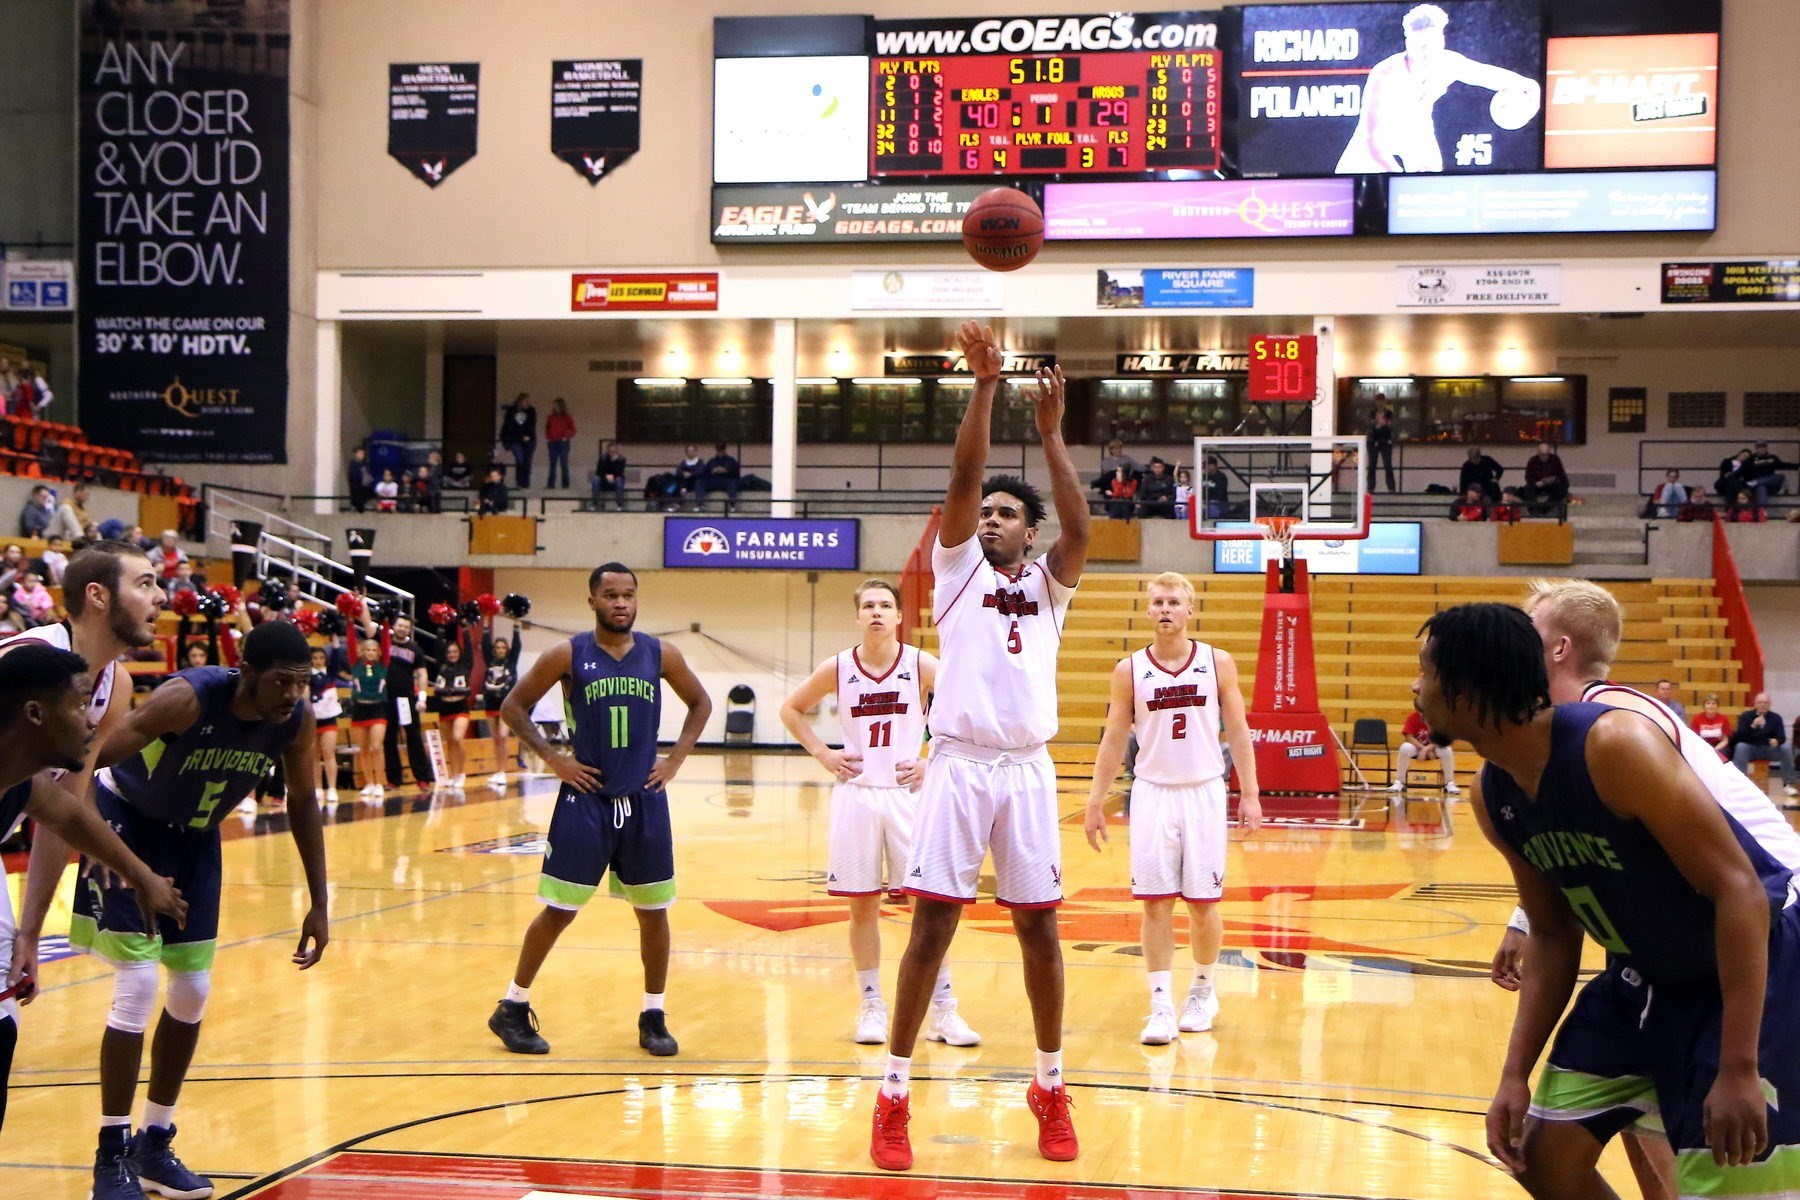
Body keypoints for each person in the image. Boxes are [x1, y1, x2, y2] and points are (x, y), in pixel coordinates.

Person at [1422, 604, 1800, 1200]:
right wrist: (1514, 1074)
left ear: (1468, 689)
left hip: (1746, 961)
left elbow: (1740, 890)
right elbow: (1551, 932)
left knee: (1729, 1176)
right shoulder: (1492, 792)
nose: (1417, 689)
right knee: (1540, 1158)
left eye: (1427, 672)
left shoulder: (1614, 742)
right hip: (1642, 972)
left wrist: (1738, 1066)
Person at [869, 321, 1089, 1172]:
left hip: (1027, 770)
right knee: (930, 929)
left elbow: (1080, 528)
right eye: (987, 513)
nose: (993, 519)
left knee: (1040, 932)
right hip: (959, 765)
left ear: (1028, 535)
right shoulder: (956, 573)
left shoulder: (1049, 586)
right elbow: (962, 474)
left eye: (1008, 514)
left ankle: (1050, 1083)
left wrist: (1051, 434)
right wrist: (986, 386)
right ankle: (893, 1093)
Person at [73, 622, 327, 1200]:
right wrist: (101, 847)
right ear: (248, 670)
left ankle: (153, 1144)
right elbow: (87, 761)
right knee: (137, 984)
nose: (292, 694)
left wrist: (319, 900)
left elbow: (305, 801)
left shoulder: (295, 721)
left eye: (303, 683)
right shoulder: (186, 698)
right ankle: (110, 1158)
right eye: (283, 682)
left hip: (196, 839)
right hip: (127, 823)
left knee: (192, 989)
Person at [487, 563, 712, 1059]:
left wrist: (674, 759)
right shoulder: (567, 653)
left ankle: (653, 1015)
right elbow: (513, 707)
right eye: (610, 595)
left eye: (628, 595)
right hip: (585, 800)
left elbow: (700, 703)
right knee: (560, 910)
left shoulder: (660, 653)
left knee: (653, 912)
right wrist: (553, 759)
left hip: (644, 800)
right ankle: (512, 1006)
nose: (621, 603)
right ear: (592, 601)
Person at [779, 580, 980, 1048]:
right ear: (857, 617)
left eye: (884, 605)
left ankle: (943, 1011)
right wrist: (823, 754)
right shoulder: (839, 666)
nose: (876, 612)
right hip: (858, 795)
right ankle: (871, 1006)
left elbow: (967, 705)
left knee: (927, 907)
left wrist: (933, 758)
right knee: (862, 905)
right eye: (867, 605)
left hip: (909, 796)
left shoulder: (919, 663)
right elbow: (791, 709)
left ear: (897, 617)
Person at [1083, 572, 1260, 1045]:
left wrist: (1251, 794)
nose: (1165, 609)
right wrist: (1096, 800)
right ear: (1147, 611)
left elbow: (1239, 731)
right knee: (1156, 904)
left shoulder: (1217, 662)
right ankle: (1160, 1004)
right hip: (1153, 793)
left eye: (1173, 602)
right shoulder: (1130, 670)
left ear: (1190, 610)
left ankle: (1202, 990)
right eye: (1157, 601)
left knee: (1204, 904)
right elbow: (1114, 738)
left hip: (1203, 791)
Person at [1335, 3, 1540, 174]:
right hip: (1377, 138)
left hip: (1416, 129)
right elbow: (1374, 140)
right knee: (1345, 189)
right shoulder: (1385, 75)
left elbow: (1485, 75)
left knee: (1429, 187)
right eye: (1420, 45)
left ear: (1441, 40)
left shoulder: (1447, 62)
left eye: (1431, 44)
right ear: (1408, 42)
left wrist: (1526, 85)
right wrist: (1399, 178)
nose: (1426, 52)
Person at [355, 612, 434, 792]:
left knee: (413, 737)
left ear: (409, 629)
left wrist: (422, 697)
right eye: (400, 625)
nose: (402, 628)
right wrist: (363, 605)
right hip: (384, 699)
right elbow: (367, 625)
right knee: (388, 739)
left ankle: (422, 778)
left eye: (406, 626)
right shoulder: (384, 642)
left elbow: (422, 673)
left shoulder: (415, 649)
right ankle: (393, 779)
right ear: (394, 626)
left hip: (406, 699)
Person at [481, 618, 523, 787]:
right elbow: (484, 644)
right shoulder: (489, 661)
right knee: (496, 739)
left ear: (507, 649)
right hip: (491, 702)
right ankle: (497, 771)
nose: (500, 650)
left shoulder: (511, 661)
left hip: (506, 703)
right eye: (497, 647)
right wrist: (485, 622)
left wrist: (516, 624)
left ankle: (502, 772)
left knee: (503, 736)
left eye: (503, 647)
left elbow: (517, 645)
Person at [1731, 693, 1798, 799]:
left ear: (1770, 705)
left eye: (1765, 703)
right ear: (1755, 704)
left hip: (1769, 749)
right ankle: (1739, 785)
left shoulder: (1776, 718)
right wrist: (1753, 726)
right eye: (1760, 702)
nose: (1762, 705)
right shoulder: (1746, 716)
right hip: (1751, 749)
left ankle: (1788, 784)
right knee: (1741, 747)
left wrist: (1777, 741)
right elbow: (1739, 737)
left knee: (1786, 748)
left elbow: (1782, 737)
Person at [432, 637, 473, 791]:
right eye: (449, 652)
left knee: (457, 738)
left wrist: (467, 630)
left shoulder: (465, 665)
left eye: (455, 651)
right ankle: (453, 774)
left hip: (461, 707)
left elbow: (469, 651)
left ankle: (461, 773)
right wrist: (440, 629)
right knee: (449, 742)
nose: (452, 654)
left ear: (460, 653)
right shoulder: (441, 666)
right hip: (444, 708)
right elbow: (437, 648)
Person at [348, 637, 388, 797]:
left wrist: (385, 622)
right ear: (361, 651)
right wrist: (350, 621)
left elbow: (387, 643)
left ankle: (379, 783)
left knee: (376, 747)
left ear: (378, 652)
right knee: (363, 748)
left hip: (378, 708)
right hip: (360, 709)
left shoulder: (383, 665)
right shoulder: (355, 665)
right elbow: (351, 646)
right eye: (367, 649)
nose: (371, 652)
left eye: (374, 649)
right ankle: (369, 783)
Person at [1390, 707, 1459, 797]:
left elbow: (1442, 738)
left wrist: (1428, 749)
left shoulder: (1438, 718)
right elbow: (1408, 737)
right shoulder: (1412, 717)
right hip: (1417, 746)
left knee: (1447, 749)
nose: (1423, 714)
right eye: (1421, 712)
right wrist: (1423, 748)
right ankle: (1399, 782)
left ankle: (1449, 783)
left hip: (1434, 747)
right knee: (1404, 748)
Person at [309, 646, 343, 803]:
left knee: (329, 753)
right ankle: (317, 788)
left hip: (329, 719)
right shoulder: (307, 676)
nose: (318, 661)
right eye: (315, 658)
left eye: (321, 658)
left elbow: (336, 655)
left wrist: (335, 640)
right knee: (314, 756)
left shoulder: (330, 673)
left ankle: (332, 788)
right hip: (312, 720)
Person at [498, 393, 538, 489]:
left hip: (528, 440)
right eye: (526, 401)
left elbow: (532, 424)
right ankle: (519, 482)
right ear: (520, 401)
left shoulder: (531, 411)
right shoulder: (512, 410)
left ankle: (525, 483)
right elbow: (507, 425)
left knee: (527, 461)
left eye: (529, 401)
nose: (528, 403)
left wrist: (528, 436)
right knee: (520, 459)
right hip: (515, 439)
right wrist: (505, 438)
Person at [1519, 442, 1568, 516]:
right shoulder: (1532, 460)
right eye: (1542, 455)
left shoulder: (1555, 459)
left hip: (1552, 485)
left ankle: (1544, 508)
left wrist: (1552, 480)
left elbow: (1561, 475)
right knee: (1527, 489)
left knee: (1562, 490)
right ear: (1538, 453)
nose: (1544, 457)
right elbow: (1528, 477)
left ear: (1549, 452)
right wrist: (1535, 483)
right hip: (1537, 484)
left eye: (1546, 455)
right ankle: (1534, 510)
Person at [1741, 441, 1792, 509]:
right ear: (1756, 449)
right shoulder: (1750, 460)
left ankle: (1756, 482)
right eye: (1759, 447)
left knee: (1781, 476)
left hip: (1771, 485)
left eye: (1764, 447)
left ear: (1766, 448)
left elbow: (1783, 465)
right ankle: (1762, 511)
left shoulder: (1772, 458)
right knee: (1761, 487)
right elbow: (1741, 471)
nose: (1762, 449)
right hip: (1757, 488)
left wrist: (1797, 466)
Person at [544, 398, 576, 490]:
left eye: (556, 405)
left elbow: (573, 429)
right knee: (552, 463)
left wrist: (566, 436)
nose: (554, 407)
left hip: (563, 442)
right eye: (554, 405)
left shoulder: (567, 417)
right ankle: (551, 485)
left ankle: (565, 485)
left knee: (564, 463)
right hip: (553, 442)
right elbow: (547, 428)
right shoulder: (551, 417)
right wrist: (549, 437)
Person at [698, 441, 741, 509]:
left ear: (724, 449)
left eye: (722, 450)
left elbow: (736, 474)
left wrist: (726, 471)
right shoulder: (712, 461)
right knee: (700, 482)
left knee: (733, 482)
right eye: (718, 450)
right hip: (714, 481)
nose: (720, 452)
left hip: (726, 481)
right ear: (716, 450)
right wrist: (713, 471)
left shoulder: (731, 460)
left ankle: (732, 504)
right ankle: (700, 504)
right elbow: (705, 473)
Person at [1366, 405, 1398, 493]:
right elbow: (1366, 424)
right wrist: (1376, 422)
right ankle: (1370, 488)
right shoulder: (1371, 413)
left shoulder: (1389, 413)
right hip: (1373, 441)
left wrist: (1386, 423)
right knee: (1372, 465)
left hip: (1385, 441)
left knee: (1388, 465)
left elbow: (1395, 425)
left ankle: (1391, 488)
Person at [591, 441, 628, 512]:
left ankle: (620, 505)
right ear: (607, 450)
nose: (612, 453)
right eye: (610, 451)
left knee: (619, 480)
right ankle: (594, 504)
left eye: (613, 451)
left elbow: (620, 472)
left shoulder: (621, 459)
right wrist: (606, 476)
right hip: (604, 479)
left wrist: (615, 462)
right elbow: (599, 471)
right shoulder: (603, 458)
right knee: (595, 480)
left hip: (616, 479)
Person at [1692, 694, 1732, 758]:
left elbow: (1725, 740)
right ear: (1704, 706)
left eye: (1713, 703)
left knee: (1721, 755)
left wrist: (1715, 750)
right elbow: (1695, 739)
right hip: (1702, 746)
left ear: (1717, 706)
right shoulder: (1697, 718)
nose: (1711, 706)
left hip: (1719, 747)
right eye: (1708, 703)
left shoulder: (1724, 719)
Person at [1714, 449, 1753, 516]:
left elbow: (1746, 477)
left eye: (1747, 457)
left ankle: (1729, 509)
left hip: (1737, 484)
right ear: (1739, 454)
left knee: (1732, 482)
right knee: (1731, 479)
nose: (1744, 457)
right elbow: (1723, 475)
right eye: (1744, 455)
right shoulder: (1727, 461)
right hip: (1724, 483)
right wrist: (1729, 475)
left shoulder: (1746, 466)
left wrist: (1733, 474)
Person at [346, 446, 375, 514]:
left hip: (364, 487)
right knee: (357, 500)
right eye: (360, 453)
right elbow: (353, 476)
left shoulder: (364, 464)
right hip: (356, 487)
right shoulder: (353, 464)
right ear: (356, 454)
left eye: (363, 454)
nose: (362, 455)